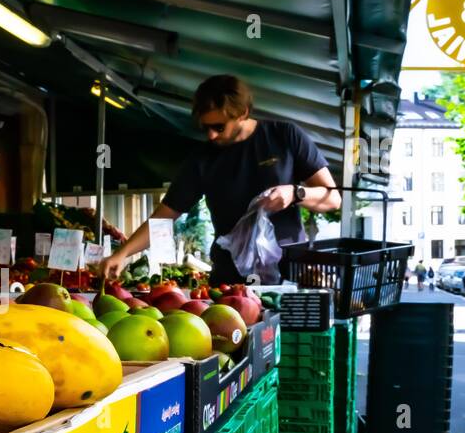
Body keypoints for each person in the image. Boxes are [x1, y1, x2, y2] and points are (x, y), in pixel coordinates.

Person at [98, 75, 341, 284]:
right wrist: (123, 253)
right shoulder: (201, 160)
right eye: (205, 128)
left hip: (288, 274)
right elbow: (165, 215)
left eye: (219, 126)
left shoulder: (285, 136)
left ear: (243, 113)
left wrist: (296, 193)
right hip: (229, 279)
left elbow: (333, 199)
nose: (211, 135)